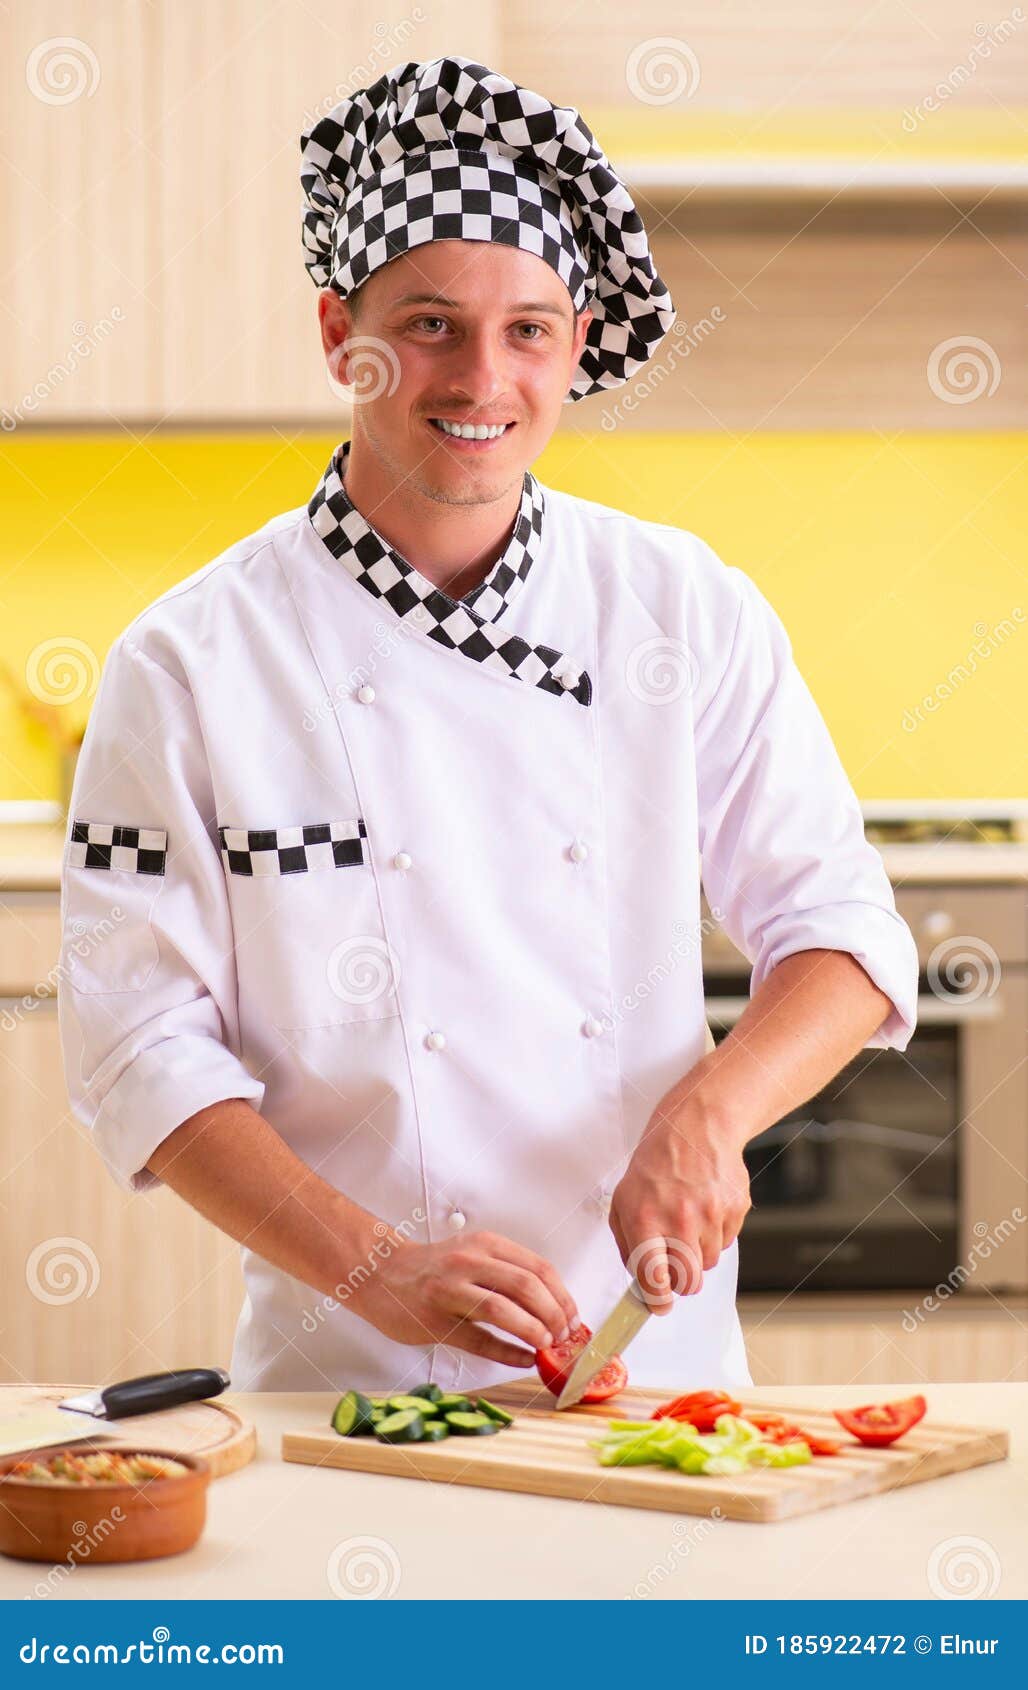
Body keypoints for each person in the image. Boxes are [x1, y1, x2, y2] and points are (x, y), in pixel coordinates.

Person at [58, 57, 918, 1394]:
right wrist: (377, 1270)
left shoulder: (681, 608)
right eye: (430, 324)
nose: (482, 377)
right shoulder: (188, 662)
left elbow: (845, 934)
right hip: (348, 1384)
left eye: (528, 329)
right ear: (339, 332)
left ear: (576, 343)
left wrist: (712, 1111)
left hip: (654, 1371)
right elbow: (138, 1046)